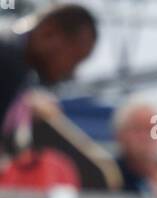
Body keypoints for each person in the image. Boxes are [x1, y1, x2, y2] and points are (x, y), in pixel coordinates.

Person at [0, 4, 97, 138]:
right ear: (48, 32)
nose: (71, 72)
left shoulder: (19, 62)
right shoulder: (8, 61)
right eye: (73, 58)